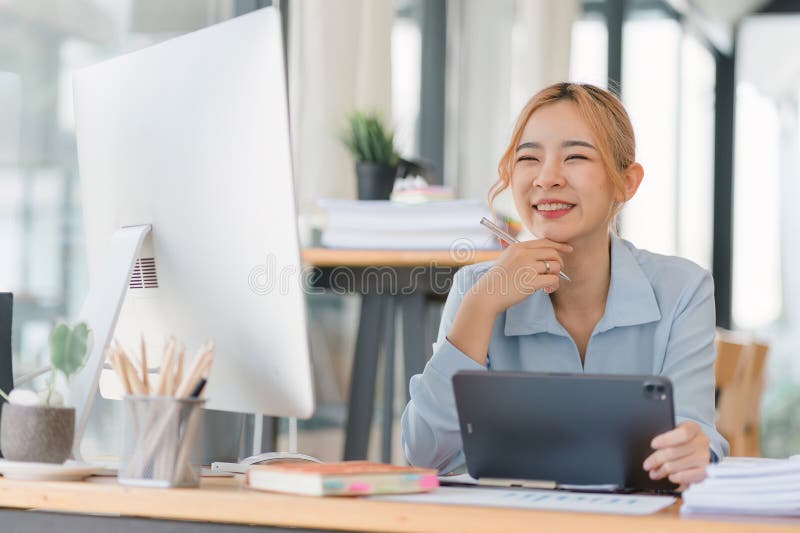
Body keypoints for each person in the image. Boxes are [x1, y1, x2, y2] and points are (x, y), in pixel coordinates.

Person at [401, 82, 728, 492]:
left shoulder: (684, 289)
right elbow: (426, 454)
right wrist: (480, 307)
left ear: (627, 182)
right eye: (528, 158)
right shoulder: (476, 288)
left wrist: (694, 449)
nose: (547, 178)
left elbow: (694, 431)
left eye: (575, 156)